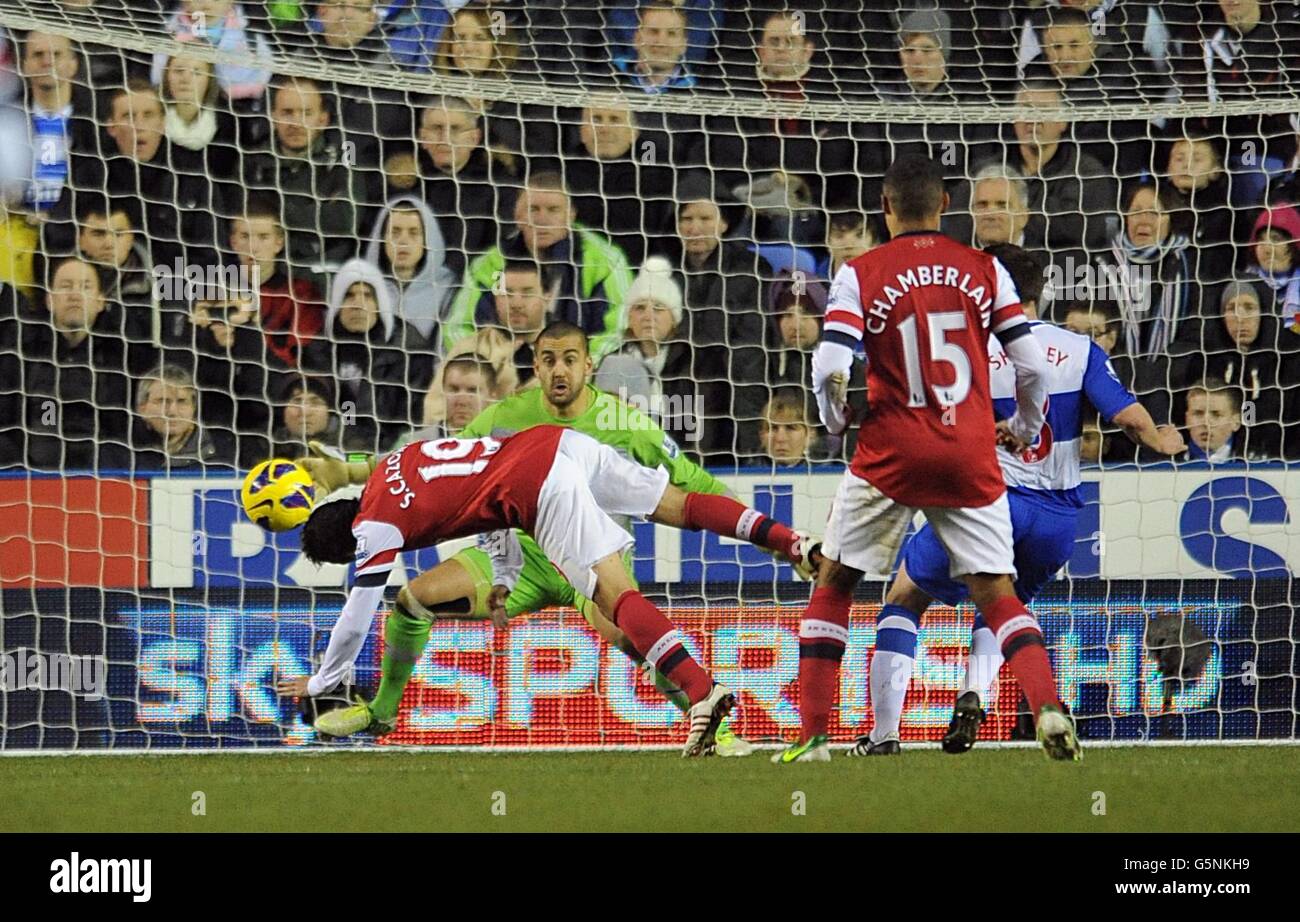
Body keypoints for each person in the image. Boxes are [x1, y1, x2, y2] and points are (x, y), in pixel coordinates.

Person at [296, 321, 767, 755]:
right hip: (520, 561)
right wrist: (351, 470)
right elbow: (440, 461)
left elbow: (691, 484)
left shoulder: (625, 422)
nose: (558, 370)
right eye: (548, 360)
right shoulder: (508, 414)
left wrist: (756, 528)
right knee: (411, 601)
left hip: (590, 562)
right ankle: (382, 712)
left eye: (568, 359)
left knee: (635, 638)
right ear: (536, 366)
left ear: (589, 365)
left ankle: (714, 726)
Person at [773, 154, 1076, 764]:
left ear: (885, 209)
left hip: (890, 449)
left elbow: (830, 365)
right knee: (996, 591)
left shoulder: (860, 273)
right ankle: (1045, 703)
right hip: (966, 451)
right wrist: (1021, 425)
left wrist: (835, 423)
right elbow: (1033, 365)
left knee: (835, 580)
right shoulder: (985, 269)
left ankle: (811, 738)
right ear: (945, 206)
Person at [279, 422, 818, 757]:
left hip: (539, 491)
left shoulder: (374, 528)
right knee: (675, 503)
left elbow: (358, 610)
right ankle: (793, 542)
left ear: (350, 542)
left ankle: (703, 696)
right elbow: (476, 486)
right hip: (556, 444)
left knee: (612, 596)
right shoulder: (396, 463)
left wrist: (327, 681)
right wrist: (506, 573)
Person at [852, 243, 1184, 756]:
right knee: (1003, 607)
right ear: (1041, 291)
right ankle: (973, 697)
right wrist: (1161, 441)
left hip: (988, 505)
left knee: (903, 597)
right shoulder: (1078, 349)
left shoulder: (960, 350)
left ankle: (883, 736)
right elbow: (1128, 418)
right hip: (1057, 520)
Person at [443, 171, 633, 359]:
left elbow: (619, 328)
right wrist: (488, 363)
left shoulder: (604, 261)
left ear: (571, 215)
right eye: (533, 209)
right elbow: (458, 328)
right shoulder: (492, 265)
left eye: (553, 210)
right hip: (504, 370)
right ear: (518, 215)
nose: (542, 219)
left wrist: (576, 364)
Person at [300, 257, 434, 453]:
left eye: (368, 295)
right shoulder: (318, 350)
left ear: (380, 303)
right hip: (329, 448)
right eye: (349, 295)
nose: (358, 304)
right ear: (337, 302)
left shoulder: (409, 351)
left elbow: (411, 422)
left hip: (390, 452)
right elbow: (343, 413)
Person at [361, 194, 458, 343]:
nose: (403, 241)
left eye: (414, 233)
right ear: (381, 238)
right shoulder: (361, 283)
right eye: (395, 232)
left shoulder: (448, 286)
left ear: (427, 240)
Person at [130, 363, 237, 469]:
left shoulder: (224, 454)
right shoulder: (122, 453)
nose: (172, 412)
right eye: (162, 401)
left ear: (194, 407)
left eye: (182, 401)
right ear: (142, 409)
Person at [1179, 378, 1271, 463]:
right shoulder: (1170, 459)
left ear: (1236, 422)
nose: (1206, 423)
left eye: (1216, 415)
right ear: (1187, 419)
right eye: (1198, 413)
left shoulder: (1260, 461)